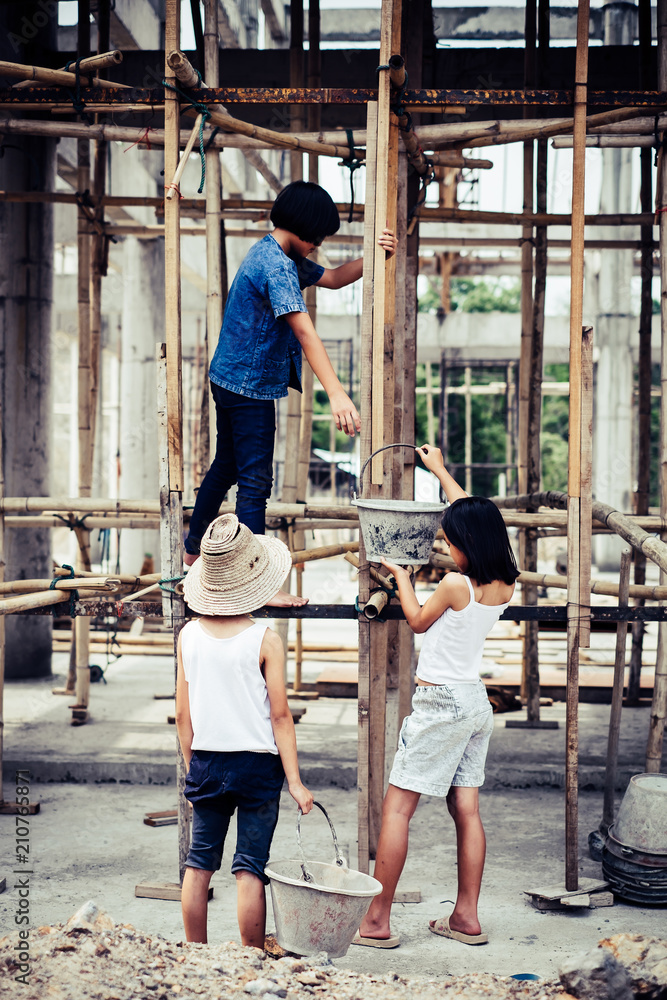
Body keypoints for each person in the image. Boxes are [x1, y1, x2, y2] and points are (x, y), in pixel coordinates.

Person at [184, 180, 398, 607]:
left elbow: (334, 279)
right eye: (317, 237)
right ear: (304, 229)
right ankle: (256, 582)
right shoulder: (277, 267)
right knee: (255, 483)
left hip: (228, 379)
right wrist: (337, 394)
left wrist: (375, 255)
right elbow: (304, 331)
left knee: (226, 466)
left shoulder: (274, 253)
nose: (319, 246)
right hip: (249, 388)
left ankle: (191, 552)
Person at [353, 445, 518, 950]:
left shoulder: (453, 584)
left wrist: (402, 579)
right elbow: (474, 514)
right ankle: (465, 917)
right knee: (466, 809)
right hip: (474, 703)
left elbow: (419, 620)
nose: (447, 546)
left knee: (397, 810)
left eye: (450, 541)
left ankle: (376, 921)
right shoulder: (505, 583)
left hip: (440, 704)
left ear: (467, 544)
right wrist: (441, 471)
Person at [176, 513, 314, 947]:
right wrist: (295, 781)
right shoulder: (265, 639)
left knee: (199, 863)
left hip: (207, 761)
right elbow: (280, 716)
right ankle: (250, 957)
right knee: (249, 868)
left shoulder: (188, 636)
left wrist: (194, 766)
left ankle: (194, 955)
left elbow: (183, 716)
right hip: (258, 767)